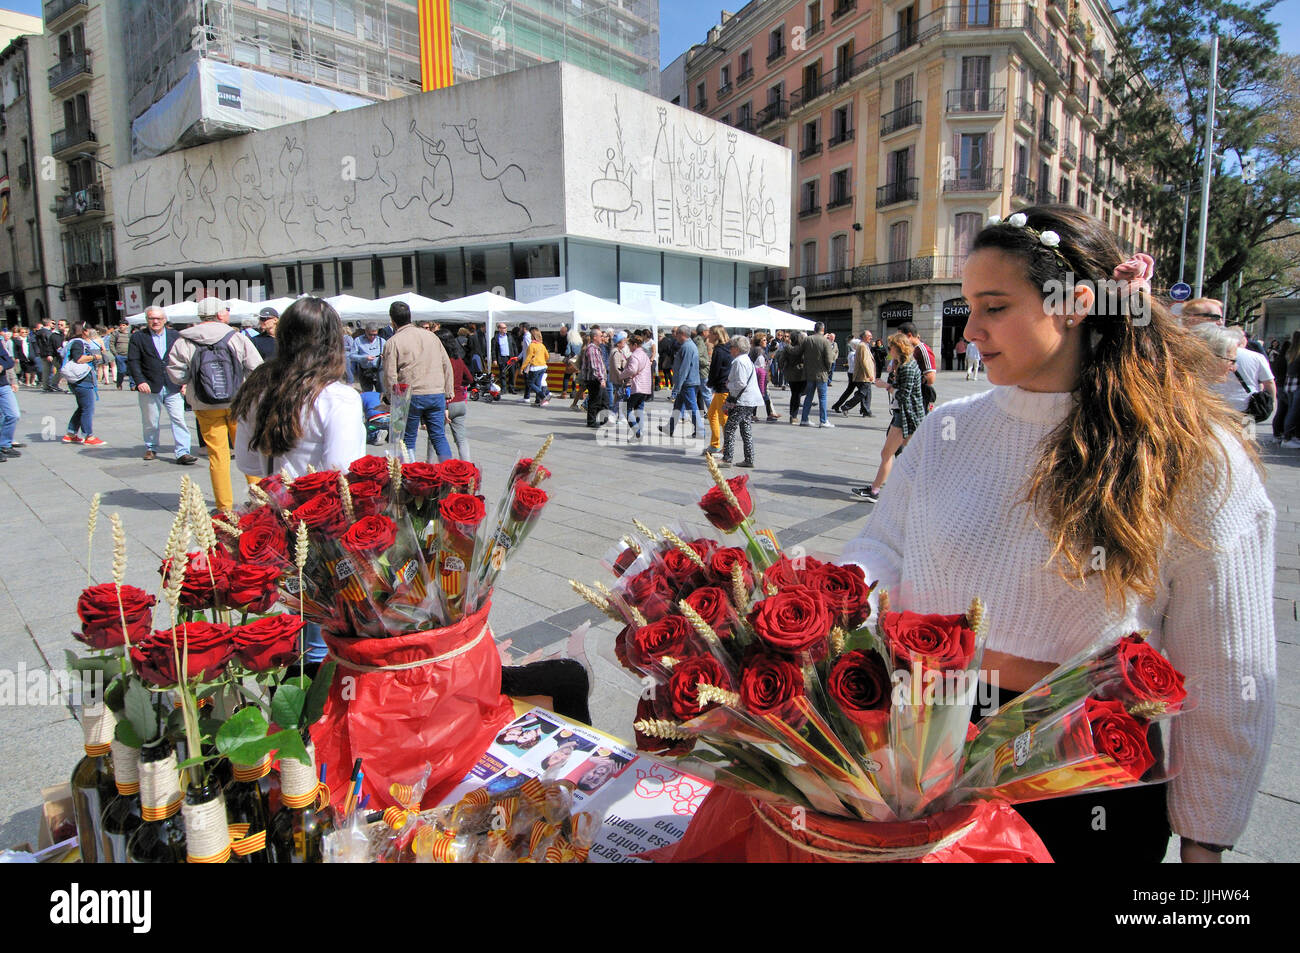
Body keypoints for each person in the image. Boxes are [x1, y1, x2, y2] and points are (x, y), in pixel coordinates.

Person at [844, 207, 1275, 864]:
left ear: (1075, 304)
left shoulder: (1193, 455)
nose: (971, 331)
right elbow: (886, 545)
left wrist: (1205, 840)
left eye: (994, 306)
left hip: (1082, 777)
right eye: (968, 306)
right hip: (921, 746)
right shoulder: (945, 430)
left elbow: (1226, 666)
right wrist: (838, 596)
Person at [232, 297, 364, 672]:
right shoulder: (337, 397)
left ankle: (290, 700)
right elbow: (343, 471)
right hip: (324, 524)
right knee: (323, 626)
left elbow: (246, 461)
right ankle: (314, 709)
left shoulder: (259, 386)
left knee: (293, 611)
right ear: (333, 341)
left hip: (272, 520)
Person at [167, 298, 264, 512]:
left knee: (218, 457)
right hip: (239, 404)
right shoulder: (237, 337)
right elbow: (257, 368)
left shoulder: (185, 340)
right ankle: (260, 501)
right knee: (250, 451)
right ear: (220, 315)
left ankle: (224, 507)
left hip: (205, 404)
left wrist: (193, 378)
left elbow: (176, 375)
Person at [850, 332, 922, 501]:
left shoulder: (907, 367)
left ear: (899, 348)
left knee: (887, 453)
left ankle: (875, 491)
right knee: (909, 455)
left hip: (906, 416)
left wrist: (886, 385)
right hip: (906, 414)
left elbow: (904, 395)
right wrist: (892, 372)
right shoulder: (904, 365)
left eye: (891, 348)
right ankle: (911, 488)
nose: (889, 350)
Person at [383, 301, 455, 463]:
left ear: (392, 321)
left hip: (410, 394)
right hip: (436, 392)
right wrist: (448, 391)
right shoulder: (431, 336)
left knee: (407, 440)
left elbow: (390, 375)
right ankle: (450, 471)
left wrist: (391, 398)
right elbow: (446, 364)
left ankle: (410, 477)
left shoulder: (393, 342)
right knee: (439, 437)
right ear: (410, 317)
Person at [127, 307, 197, 465]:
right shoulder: (138, 337)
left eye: (158, 318)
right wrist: (140, 381)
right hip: (150, 385)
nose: (155, 321)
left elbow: (185, 359)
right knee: (151, 420)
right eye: (152, 318)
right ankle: (151, 447)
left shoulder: (175, 335)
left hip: (174, 384)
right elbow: (133, 361)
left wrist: (185, 381)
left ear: (165, 320)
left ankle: (183, 452)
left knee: (179, 419)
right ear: (147, 320)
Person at [61, 323, 107, 446]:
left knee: (82, 407)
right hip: (82, 379)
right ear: (84, 331)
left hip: (78, 379)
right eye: (89, 329)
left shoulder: (73, 342)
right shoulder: (78, 342)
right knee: (88, 408)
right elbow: (79, 359)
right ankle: (88, 436)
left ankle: (71, 434)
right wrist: (94, 357)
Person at [719, 335, 762, 469]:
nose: (730, 350)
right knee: (745, 428)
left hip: (742, 400)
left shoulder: (739, 361)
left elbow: (741, 383)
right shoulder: (746, 359)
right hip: (749, 399)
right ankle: (749, 458)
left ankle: (727, 458)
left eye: (731, 347)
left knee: (729, 429)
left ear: (736, 349)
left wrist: (728, 385)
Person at [1220, 325, 1275, 424]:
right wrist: (1272, 401)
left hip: (1218, 406)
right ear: (1243, 340)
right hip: (1246, 407)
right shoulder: (1257, 357)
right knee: (1246, 437)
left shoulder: (1214, 355)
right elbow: (1269, 382)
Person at [660, 326, 702, 439]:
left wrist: (678, 385)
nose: (675, 336)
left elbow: (685, 368)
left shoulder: (687, 347)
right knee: (678, 406)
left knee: (692, 407)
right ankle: (670, 427)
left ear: (682, 334)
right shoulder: (687, 346)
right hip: (687, 382)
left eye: (676, 333)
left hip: (687, 383)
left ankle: (700, 431)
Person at [792, 321, 835, 428]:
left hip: (809, 373)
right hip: (822, 373)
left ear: (814, 329)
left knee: (809, 397)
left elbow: (799, 353)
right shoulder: (825, 341)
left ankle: (804, 419)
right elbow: (829, 359)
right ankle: (823, 420)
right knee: (823, 398)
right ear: (823, 330)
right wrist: (828, 369)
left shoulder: (807, 340)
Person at [440, 331, 474, 460]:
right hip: (459, 401)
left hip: (444, 402)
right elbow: (470, 378)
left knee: (436, 438)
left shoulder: (441, 361)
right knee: (461, 439)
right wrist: (459, 384)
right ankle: (467, 465)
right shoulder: (458, 359)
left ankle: (433, 465)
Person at [702, 325, 733, 455]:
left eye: (710, 334)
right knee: (711, 414)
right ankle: (715, 444)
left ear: (716, 335)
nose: (708, 336)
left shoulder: (719, 350)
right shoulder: (727, 348)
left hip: (722, 387)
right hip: (723, 386)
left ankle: (726, 447)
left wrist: (710, 383)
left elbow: (715, 369)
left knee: (723, 418)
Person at [619, 331, 653, 440]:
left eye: (629, 345)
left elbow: (632, 369)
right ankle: (639, 434)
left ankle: (637, 430)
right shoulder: (644, 355)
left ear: (635, 345)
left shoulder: (635, 355)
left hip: (637, 386)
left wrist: (622, 375)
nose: (628, 347)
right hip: (645, 386)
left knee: (626, 409)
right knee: (639, 410)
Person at [1269, 330, 1300, 447]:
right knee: (1292, 412)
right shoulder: (1295, 355)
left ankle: (1281, 435)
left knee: (1286, 411)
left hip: (1287, 385)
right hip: (1293, 385)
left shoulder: (1289, 354)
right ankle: (1287, 437)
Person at [899, 321, 937, 412]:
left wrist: (911, 379)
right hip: (910, 396)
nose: (899, 340)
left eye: (900, 337)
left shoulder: (923, 350)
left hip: (920, 397)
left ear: (909, 335)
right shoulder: (912, 349)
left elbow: (930, 378)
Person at [838, 332, 876, 417]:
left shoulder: (864, 345)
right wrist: (869, 374)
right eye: (869, 336)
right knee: (862, 393)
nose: (871, 337)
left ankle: (866, 411)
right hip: (863, 375)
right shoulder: (862, 346)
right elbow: (864, 362)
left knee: (867, 393)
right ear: (864, 337)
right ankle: (846, 406)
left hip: (864, 375)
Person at [579, 327, 608, 428]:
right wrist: (601, 379)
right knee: (595, 401)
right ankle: (591, 422)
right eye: (601, 336)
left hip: (597, 379)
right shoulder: (592, 349)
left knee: (604, 400)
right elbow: (595, 366)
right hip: (594, 379)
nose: (602, 338)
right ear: (595, 337)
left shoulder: (596, 348)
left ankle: (603, 420)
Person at [0, 332, 21, 460]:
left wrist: (2, 366)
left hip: (2, 385)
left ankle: (4, 444)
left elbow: (9, 361)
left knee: (13, 414)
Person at [520, 325, 552, 407]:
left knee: (530, 383)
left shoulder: (532, 345)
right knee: (538, 384)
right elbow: (547, 356)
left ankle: (542, 396)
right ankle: (538, 401)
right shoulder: (542, 345)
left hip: (535, 367)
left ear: (532, 336)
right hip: (543, 366)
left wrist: (522, 368)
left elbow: (528, 358)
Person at [780, 330, 806, 423]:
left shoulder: (787, 348)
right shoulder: (803, 348)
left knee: (794, 394)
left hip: (790, 373)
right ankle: (794, 415)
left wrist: (783, 368)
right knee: (798, 394)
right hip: (801, 373)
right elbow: (805, 359)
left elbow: (781, 360)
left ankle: (792, 414)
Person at [352, 323, 384, 392]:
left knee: (382, 393)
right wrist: (364, 358)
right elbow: (352, 356)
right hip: (365, 371)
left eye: (375, 335)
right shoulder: (358, 340)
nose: (372, 337)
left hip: (379, 370)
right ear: (366, 332)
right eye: (370, 334)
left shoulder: (382, 341)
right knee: (367, 393)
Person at [492, 321, 519, 394]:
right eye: (503, 328)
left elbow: (514, 347)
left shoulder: (509, 336)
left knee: (512, 373)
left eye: (505, 327)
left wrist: (516, 356)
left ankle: (511, 388)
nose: (505, 329)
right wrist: (494, 359)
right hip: (501, 358)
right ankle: (503, 389)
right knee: (502, 373)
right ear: (499, 329)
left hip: (510, 357)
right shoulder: (495, 338)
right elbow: (493, 350)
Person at [109, 320, 133, 390]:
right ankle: (119, 383)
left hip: (130, 355)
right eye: (120, 325)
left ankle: (132, 385)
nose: (121, 326)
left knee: (132, 371)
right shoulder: (115, 334)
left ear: (127, 326)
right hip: (120, 356)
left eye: (123, 325)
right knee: (121, 371)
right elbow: (111, 344)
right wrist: (115, 354)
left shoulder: (130, 335)